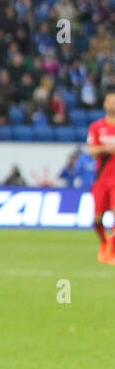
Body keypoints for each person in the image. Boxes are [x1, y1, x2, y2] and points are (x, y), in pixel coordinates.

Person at [83, 92, 115, 264]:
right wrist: (106, 148)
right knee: (97, 219)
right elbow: (91, 150)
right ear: (105, 104)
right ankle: (104, 242)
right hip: (102, 179)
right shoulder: (97, 127)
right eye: (109, 101)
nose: (112, 104)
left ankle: (113, 251)